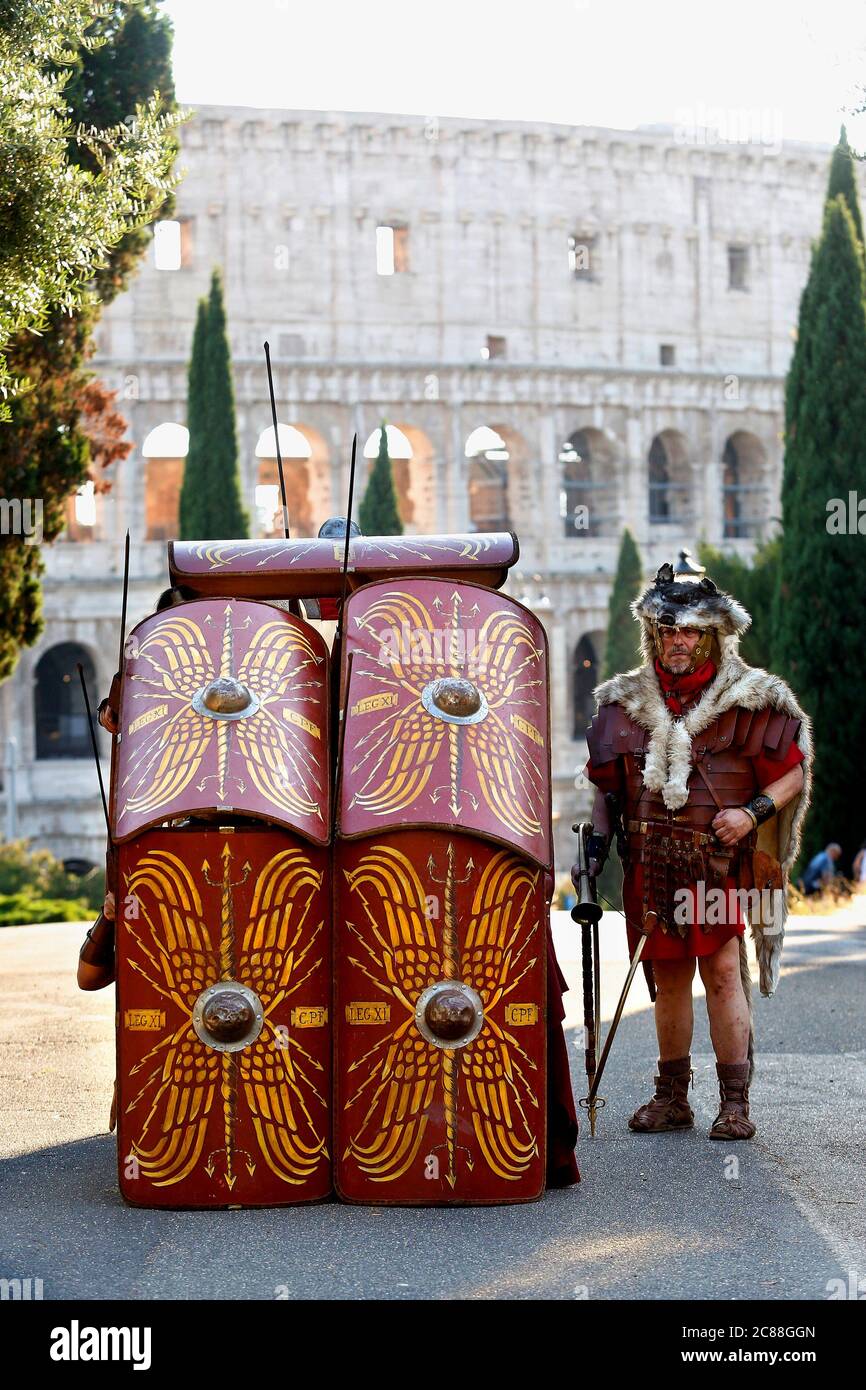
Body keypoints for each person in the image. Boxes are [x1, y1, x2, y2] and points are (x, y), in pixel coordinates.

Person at [580, 560, 811, 1141]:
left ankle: (734, 1103)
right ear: (653, 635)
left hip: (714, 864)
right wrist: (597, 848)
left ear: (712, 636)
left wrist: (751, 813)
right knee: (668, 974)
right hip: (652, 863)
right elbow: (608, 790)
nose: (677, 642)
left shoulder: (753, 699)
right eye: (667, 630)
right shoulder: (624, 703)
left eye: (689, 632)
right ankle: (672, 1097)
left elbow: (793, 776)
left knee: (723, 970)